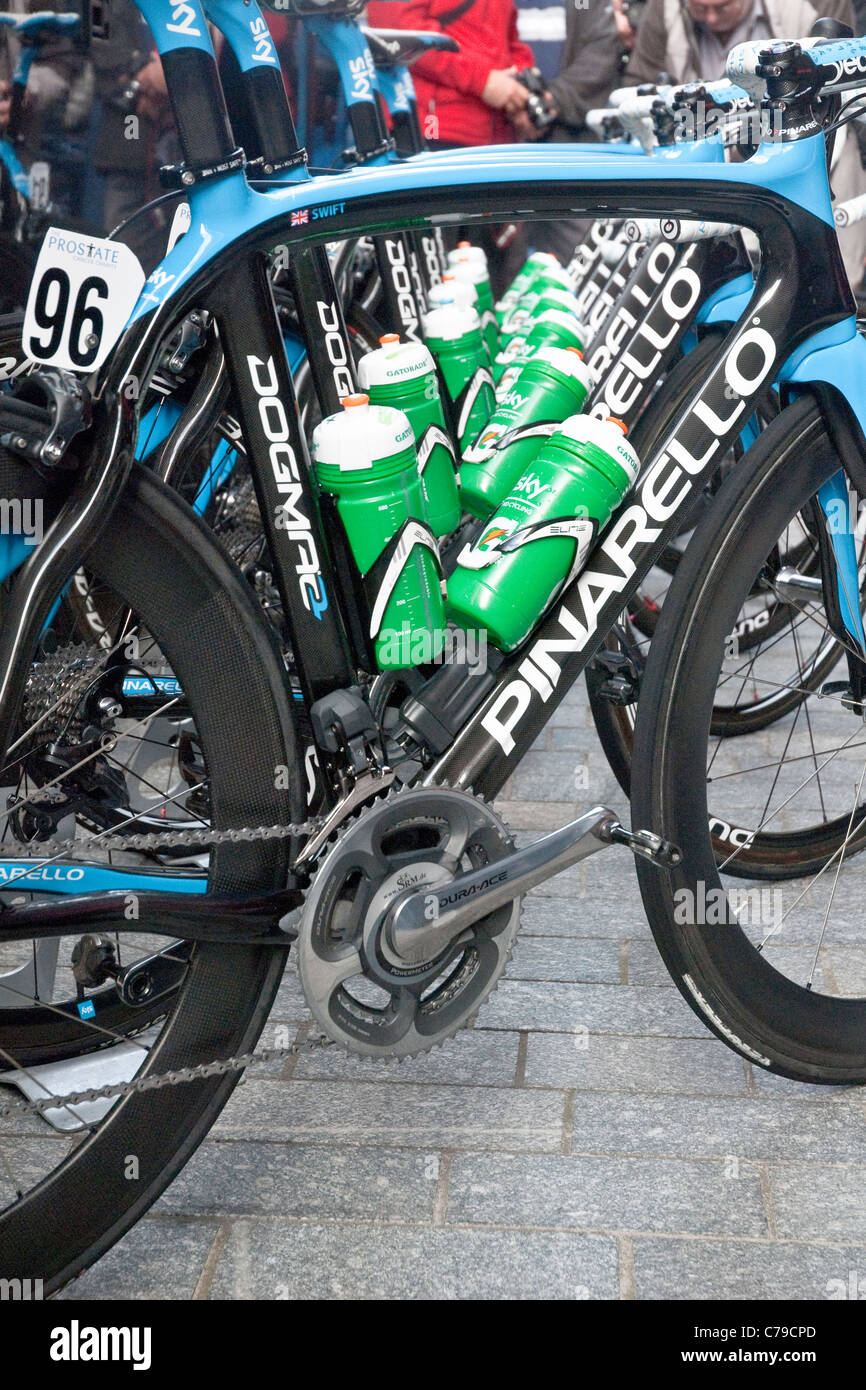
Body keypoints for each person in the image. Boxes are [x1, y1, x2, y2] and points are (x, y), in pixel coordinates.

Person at [622, 0, 866, 286]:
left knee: (834, 284)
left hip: (820, 151)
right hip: (717, 163)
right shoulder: (664, 9)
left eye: (722, 8)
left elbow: (847, 76)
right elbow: (641, 77)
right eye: (699, 9)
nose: (711, 18)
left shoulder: (812, 4)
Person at [366, 0, 539, 289]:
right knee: (435, 287)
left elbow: (505, 40)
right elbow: (397, 28)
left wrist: (522, 91)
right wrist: (483, 80)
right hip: (431, 137)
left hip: (494, 144)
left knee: (494, 285)